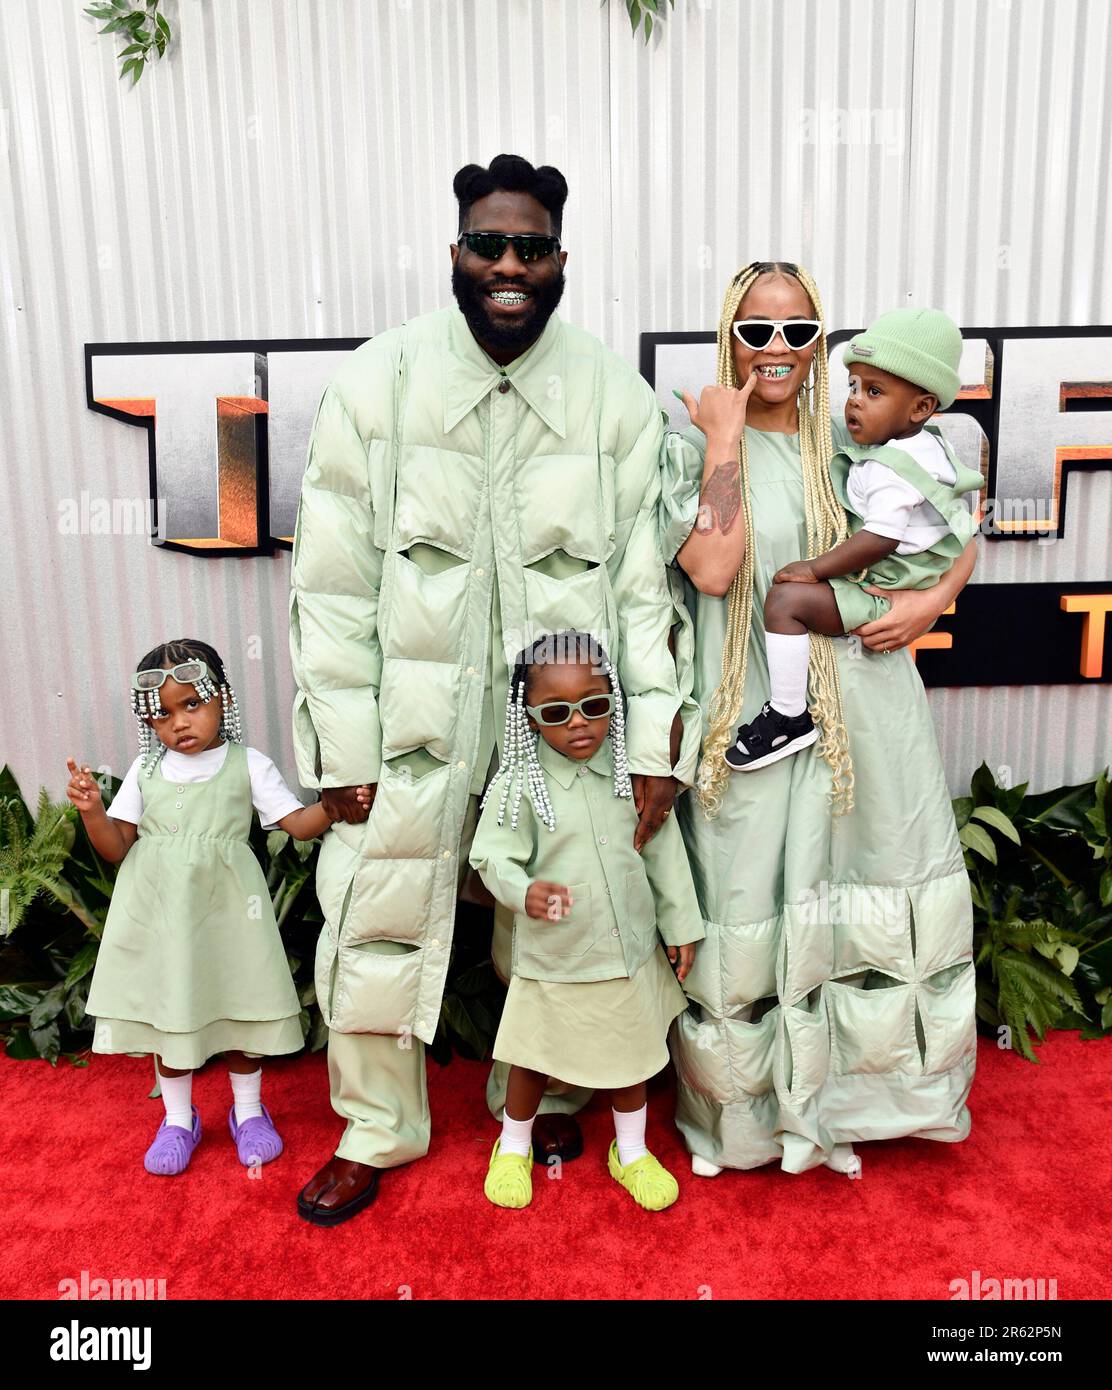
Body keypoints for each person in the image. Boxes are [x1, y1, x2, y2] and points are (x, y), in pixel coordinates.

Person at [289, 154, 687, 1225]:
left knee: (561, 906)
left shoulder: (610, 393)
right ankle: (376, 1128)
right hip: (414, 718)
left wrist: (649, 741)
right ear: (454, 250)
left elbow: (645, 591)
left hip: (565, 723)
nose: (508, 265)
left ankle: (556, 1090)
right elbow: (327, 587)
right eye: (487, 244)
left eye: (531, 247)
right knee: (372, 908)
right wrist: (345, 745)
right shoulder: (378, 383)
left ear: (561, 258)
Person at [664, 261, 979, 1179]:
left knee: (852, 897)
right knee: (747, 898)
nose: (778, 350)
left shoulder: (852, 446)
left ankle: (851, 1110)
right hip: (746, 719)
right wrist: (723, 436)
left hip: (862, 711)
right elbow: (715, 573)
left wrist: (937, 600)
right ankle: (749, 1124)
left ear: (821, 343)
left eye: (799, 332)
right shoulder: (689, 447)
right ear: (729, 335)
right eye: (757, 330)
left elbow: (955, 518)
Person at [67, 638, 364, 1175]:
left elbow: (296, 827)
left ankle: (248, 1112)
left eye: (192, 705)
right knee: (169, 1011)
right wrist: (92, 812)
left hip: (229, 914)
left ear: (223, 698)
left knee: (237, 1006)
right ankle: (178, 1120)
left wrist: (333, 806)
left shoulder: (247, 764)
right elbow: (117, 847)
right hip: (159, 915)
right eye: (162, 716)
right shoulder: (146, 769)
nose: (178, 724)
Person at [469, 631, 702, 1211]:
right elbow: (490, 857)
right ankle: (514, 1145)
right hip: (554, 956)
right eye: (557, 711)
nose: (580, 724)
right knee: (531, 1057)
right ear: (529, 715)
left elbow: (664, 854)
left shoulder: (634, 777)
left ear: (613, 701)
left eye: (595, 705)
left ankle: (630, 1151)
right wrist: (523, 892)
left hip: (625, 953)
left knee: (633, 1058)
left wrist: (681, 928)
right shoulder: (519, 784)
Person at [725, 307, 984, 773]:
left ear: (922, 407)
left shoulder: (887, 463)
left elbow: (887, 537)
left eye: (874, 391)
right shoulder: (917, 448)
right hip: (875, 598)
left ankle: (787, 714)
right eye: (854, 387)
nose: (855, 402)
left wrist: (816, 568)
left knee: (786, 600)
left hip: (877, 597)